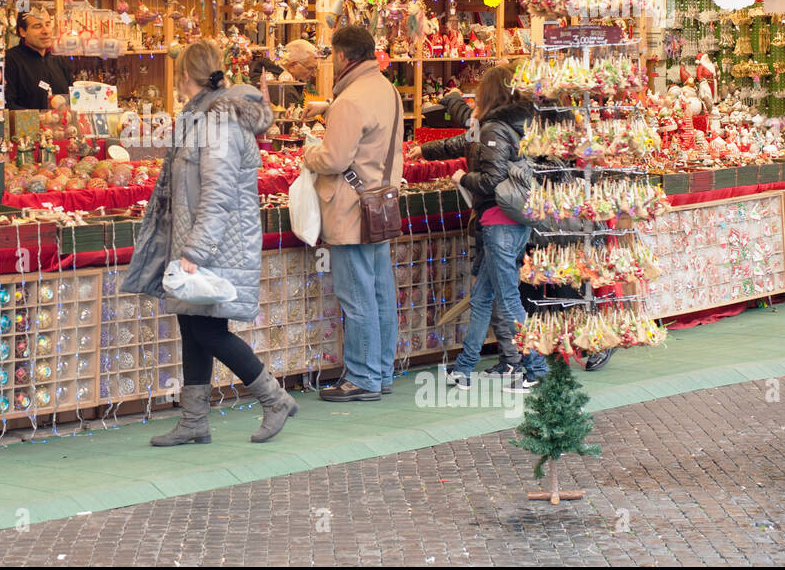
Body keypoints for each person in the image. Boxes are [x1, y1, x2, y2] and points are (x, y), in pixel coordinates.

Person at [121, 41, 298, 445]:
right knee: (192, 326)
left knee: (210, 332)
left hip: (215, 244)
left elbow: (217, 193)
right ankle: (194, 421)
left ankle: (273, 398)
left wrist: (194, 252)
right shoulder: (200, 116)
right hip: (202, 237)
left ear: (185, 76)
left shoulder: (217, 121)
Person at [416, 66, 546, 391]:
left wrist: (462, 178)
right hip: (506, 224)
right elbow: (466, 142)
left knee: (506, 298)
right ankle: (464, 369)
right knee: (482, 297)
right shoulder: (504, 125)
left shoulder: (493, 128)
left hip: (499, 224)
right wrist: (427, 150)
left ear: (489, 94)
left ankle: (535, 366)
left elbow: (491, 180)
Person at [301, 26, 404, 402]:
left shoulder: (349, 100)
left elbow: (333, 159)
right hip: (381, 202)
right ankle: (381, 371)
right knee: (379, 292)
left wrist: (308, 153)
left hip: (350, 208)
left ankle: (361, 378)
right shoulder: (387, 90)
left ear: (343, 56)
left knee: (356, 295)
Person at [5, 11, 72, 111]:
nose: (46, 31)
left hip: (62, 125)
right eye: (38, 26)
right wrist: (41, 119)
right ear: (22, 31)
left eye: (48, 24)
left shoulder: (58, 59)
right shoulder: (10, 60)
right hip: (29, 126)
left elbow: (74, 97)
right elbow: (8, 106)